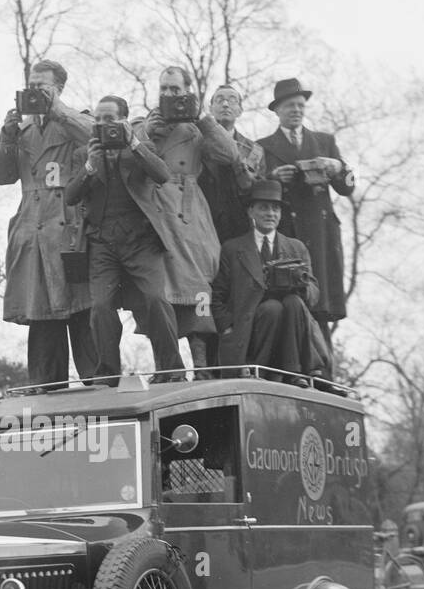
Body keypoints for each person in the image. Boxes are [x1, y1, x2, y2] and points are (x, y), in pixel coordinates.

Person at [0, 58, 97, 389]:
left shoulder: (77, 120)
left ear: (59, 88)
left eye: (42, 86)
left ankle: (102, 393)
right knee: (43, 319)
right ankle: (45, 396)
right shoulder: (22, 131)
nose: (35, 91)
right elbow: (0, 176)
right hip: (33, 235)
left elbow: (96, 138)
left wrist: (57, 110)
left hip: (70, 234)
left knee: (83, 315)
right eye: (31, 85)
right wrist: (6, 138)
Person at [64, 96, 183, 387]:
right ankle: (107, 375)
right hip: (102, 243)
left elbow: (163, 175)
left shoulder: (141, 149)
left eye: (111, 119)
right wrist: (90, 166)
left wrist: (134, 144)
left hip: (141, 241)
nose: (104, 125)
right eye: (99, 120)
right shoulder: (84, 154)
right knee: (101, 307)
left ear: (125, 121)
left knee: (156, 300)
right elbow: (70, 196)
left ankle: (172, 369)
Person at [133, 65, 239, 369]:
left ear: (187, 92)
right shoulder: (144, 123)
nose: (169, 95)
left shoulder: (195, 129)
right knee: (157, 296)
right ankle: (167, 370)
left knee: (197, 291)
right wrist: (145, 133)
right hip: (154, 216)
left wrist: (203, 118)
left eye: (176, 90)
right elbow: (128, 160)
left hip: (190, 217)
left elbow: (229, 155)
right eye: (164, 89)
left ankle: (203, 369)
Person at [257, 77, 355, 369]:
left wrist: (340, 168)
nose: (296, 111)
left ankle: (325, 373)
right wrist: (274, 179)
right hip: (285, 234)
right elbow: (254, 191)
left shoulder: (325, 142)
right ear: (277, 111)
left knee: (321, 305)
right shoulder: (263, 147)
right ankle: (294, 371)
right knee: (290, 302)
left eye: (300, 105)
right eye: (290, 106)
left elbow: (348, 186)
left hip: (321, 235)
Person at [211, 180, 328, 380]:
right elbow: (216, 296)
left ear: (281, 214)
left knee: (293, 302)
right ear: (250, 211)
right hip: (249, 334)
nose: (270, 214)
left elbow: (314, 295)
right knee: (272, 308)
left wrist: (302, 286)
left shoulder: (296, 248)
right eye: (263, 208)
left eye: (275, 209)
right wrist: (228, 327)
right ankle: (260, 369)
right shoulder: (232, 249)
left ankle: (294, 372)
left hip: (292, 329)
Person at [200, 84, 266, 244]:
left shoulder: (254, 150)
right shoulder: (197, 143)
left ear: (240, 110)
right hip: (202, 224)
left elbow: (260, 194)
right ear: (211, 108)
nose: (225, 104)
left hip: (239, 228)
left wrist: (249, 183)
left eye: (232, 100)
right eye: (219, 100)